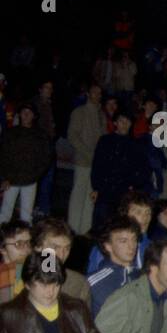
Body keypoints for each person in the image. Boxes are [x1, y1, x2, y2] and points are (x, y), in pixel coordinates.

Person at [0, 105, 52, 224]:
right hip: (11, 180)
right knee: (4, 213)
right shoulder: (10, 133)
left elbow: (45, 158)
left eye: (29, 112)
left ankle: (25, 240)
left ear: (34, 116)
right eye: (24, 112)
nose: (26, 115)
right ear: (19, 115)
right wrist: (4, 177)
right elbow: (3, 156)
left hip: (30, 180)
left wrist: (35, 176)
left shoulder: (40, 135)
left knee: (26, 215)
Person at [67, 85, 105, 234]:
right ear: (88, 94)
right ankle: (73, 228)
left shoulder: (101, 114)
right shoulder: (79, 112)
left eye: (99, 93)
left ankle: (84, 230)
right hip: (83, 161)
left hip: (96, 163)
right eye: (94, 92)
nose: (97, 95)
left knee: (91, 197)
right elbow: (72, 135)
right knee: (78, 194)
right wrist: (87, 153)